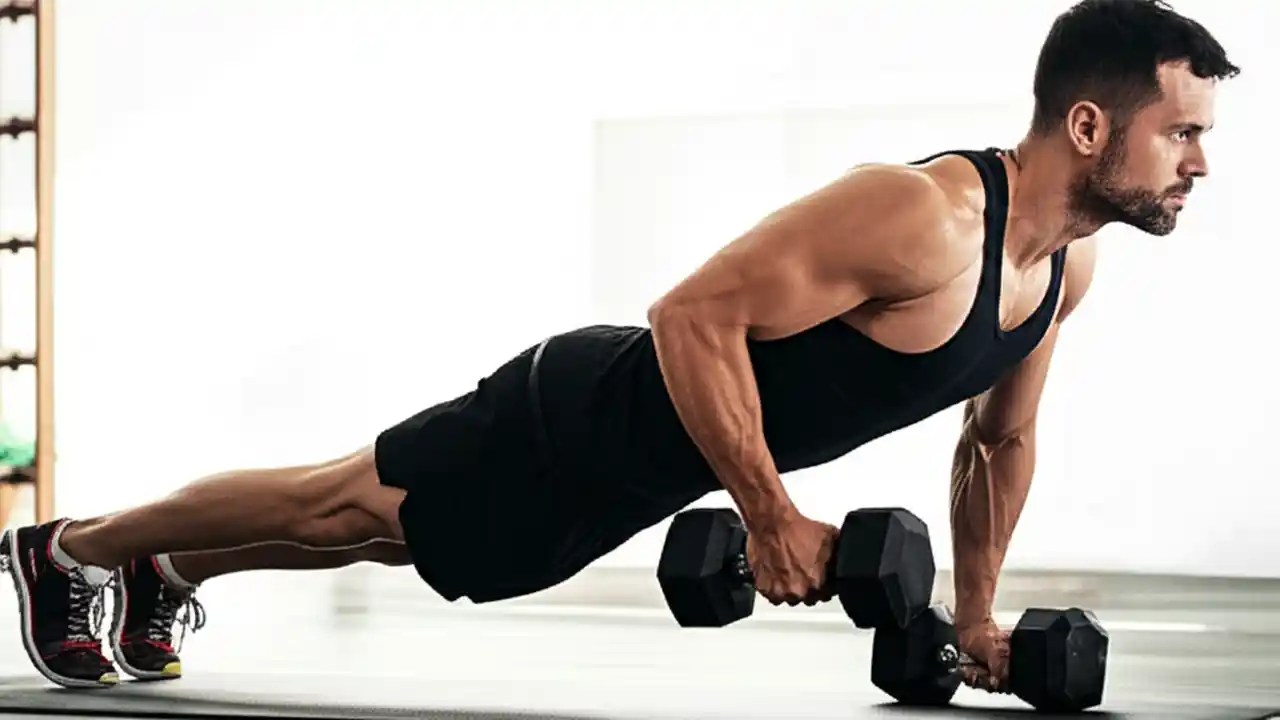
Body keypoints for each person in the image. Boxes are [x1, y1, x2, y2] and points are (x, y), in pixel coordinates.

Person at [2, 0, 1238, 695]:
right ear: (1088, 125)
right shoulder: (921, 214)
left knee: (393, 538)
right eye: (1180, 133)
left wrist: (974, 620)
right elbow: (690, 316)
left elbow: (997, 439)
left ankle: (173, 576)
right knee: (342, 504)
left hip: (646, 473)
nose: (1195, 163)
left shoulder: (1064, 264)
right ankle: (73, 548)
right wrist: (766, 513)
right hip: (592, 406)